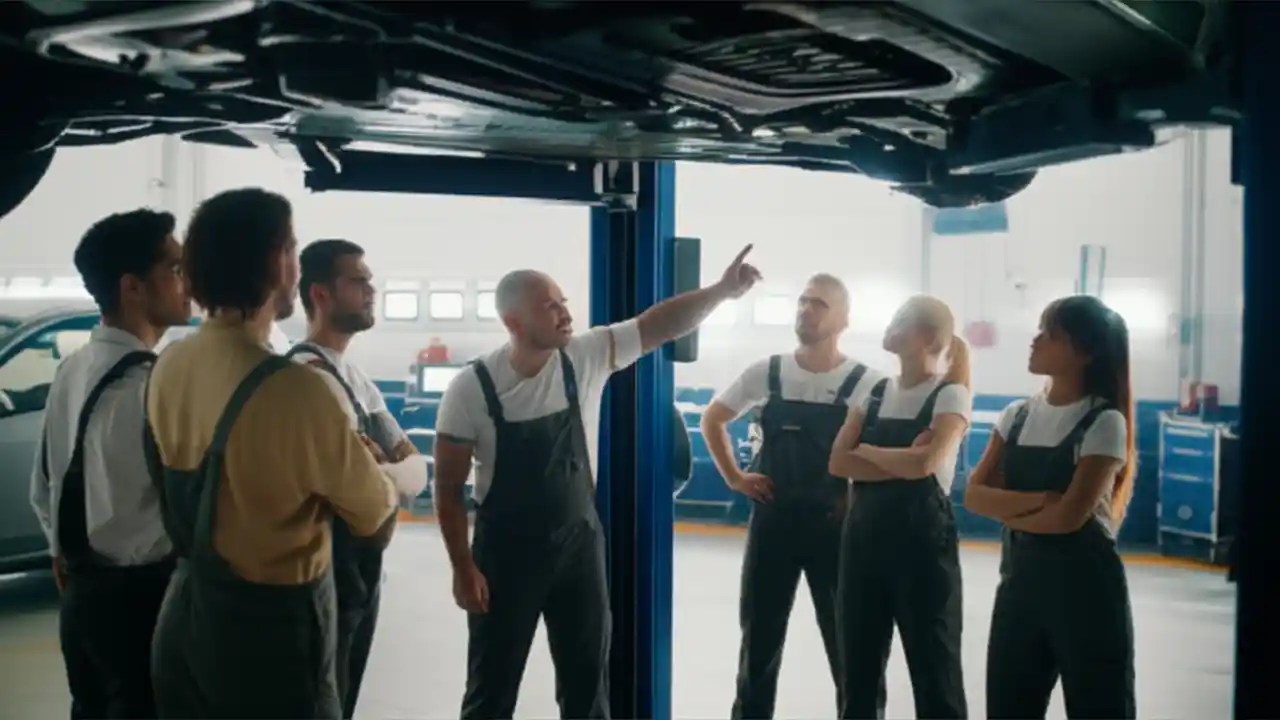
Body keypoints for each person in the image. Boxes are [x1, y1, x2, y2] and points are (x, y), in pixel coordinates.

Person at [434, 246, 762, 720]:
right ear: (513, 321)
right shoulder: (472, 388)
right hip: (505, 558)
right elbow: (447, 489)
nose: (566, 314)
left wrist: (721, 291)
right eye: (550, 305)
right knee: (492, 689)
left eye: (564, 301)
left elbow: (657, 325)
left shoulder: (582, 358)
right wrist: (463, 569)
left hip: (578, 548)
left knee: (587, 686)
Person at [144, 188, 399, 719]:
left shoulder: (169, 363)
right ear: (275, 261)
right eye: (291, 248)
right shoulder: (300, 390)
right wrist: (381, 467)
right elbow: (377, 522)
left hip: (185, 626)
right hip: (271, 643)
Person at [700, 274, 886, 720]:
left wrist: (859, 499)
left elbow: (882, 454)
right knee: (759, 641)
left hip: (836, 528)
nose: (806, 310)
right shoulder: (768, 371)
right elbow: (714, 419)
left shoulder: (867, 383)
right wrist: (735, 477)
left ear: (844, 319)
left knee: (849, 644)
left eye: (819, 303)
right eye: (802, 301)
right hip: (773, 522)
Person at [28, 209, 190, 719]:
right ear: (132, 287)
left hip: (82, 597)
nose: (188, 282)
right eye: (176, 268)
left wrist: (62, 548)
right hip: (141, 603)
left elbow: (44, 483)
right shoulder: (149, 387)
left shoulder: (73, 367)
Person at [963, 295, 1136, 719]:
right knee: (1008, 707)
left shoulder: (1104, 421)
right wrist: (1040, 500)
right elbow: (973, 496)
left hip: (1087, 593)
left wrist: (1009, 508)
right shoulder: (1016, 415)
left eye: (1051, 335)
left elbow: (1069, 518)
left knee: (1099, 707)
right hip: (1019, 587)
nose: (1035, 341)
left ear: (1086, 353)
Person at [288, 237, 423, 719]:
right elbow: (361, 486)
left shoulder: (356, 378)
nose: (372, 290)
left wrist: (379, 470)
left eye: (371, 281)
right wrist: (388, 471)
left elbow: (416, 473)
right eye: (358, 281)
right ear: (321, 294)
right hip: (325, 574)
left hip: (361, 573)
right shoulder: (307, 377)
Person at [828, 294, 972, 719]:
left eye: (901, 320)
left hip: (923, 548)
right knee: (858, 674)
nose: (890, 326)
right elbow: (838, 461)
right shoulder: (872, 391)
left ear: (927, 337)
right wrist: (898, 458)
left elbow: (926, 464)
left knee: (935, 674)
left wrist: (867, 451)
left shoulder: (950, 395)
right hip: (862, 544)